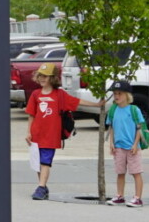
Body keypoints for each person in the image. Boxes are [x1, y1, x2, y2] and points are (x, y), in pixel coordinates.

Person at [26, 62, 102, 200]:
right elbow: (31, 114)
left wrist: (96, 104)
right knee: (38, 163)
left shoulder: (59, 94)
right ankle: (42, 185)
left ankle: (41, 187)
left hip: (51, 135)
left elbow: (77, 102)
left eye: (46, 76)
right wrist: (28, 133)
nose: (42, 78)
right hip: (36, 135)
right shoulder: (35, 94)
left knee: (45, 162)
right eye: (40, 76)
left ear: (53, 78)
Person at [105, 79, 146, 207]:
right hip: (119, 147)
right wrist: (111, 143)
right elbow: (111, 128)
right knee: (120, 172)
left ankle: (138, 198)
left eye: (120, 93)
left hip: (132, 147)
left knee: (136, 172)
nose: (117, 96)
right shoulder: (113, 110)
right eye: (115, 93)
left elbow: (139, 129)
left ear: (127, 95)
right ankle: (120, 196)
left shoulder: (134, 110)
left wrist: (135, 145)